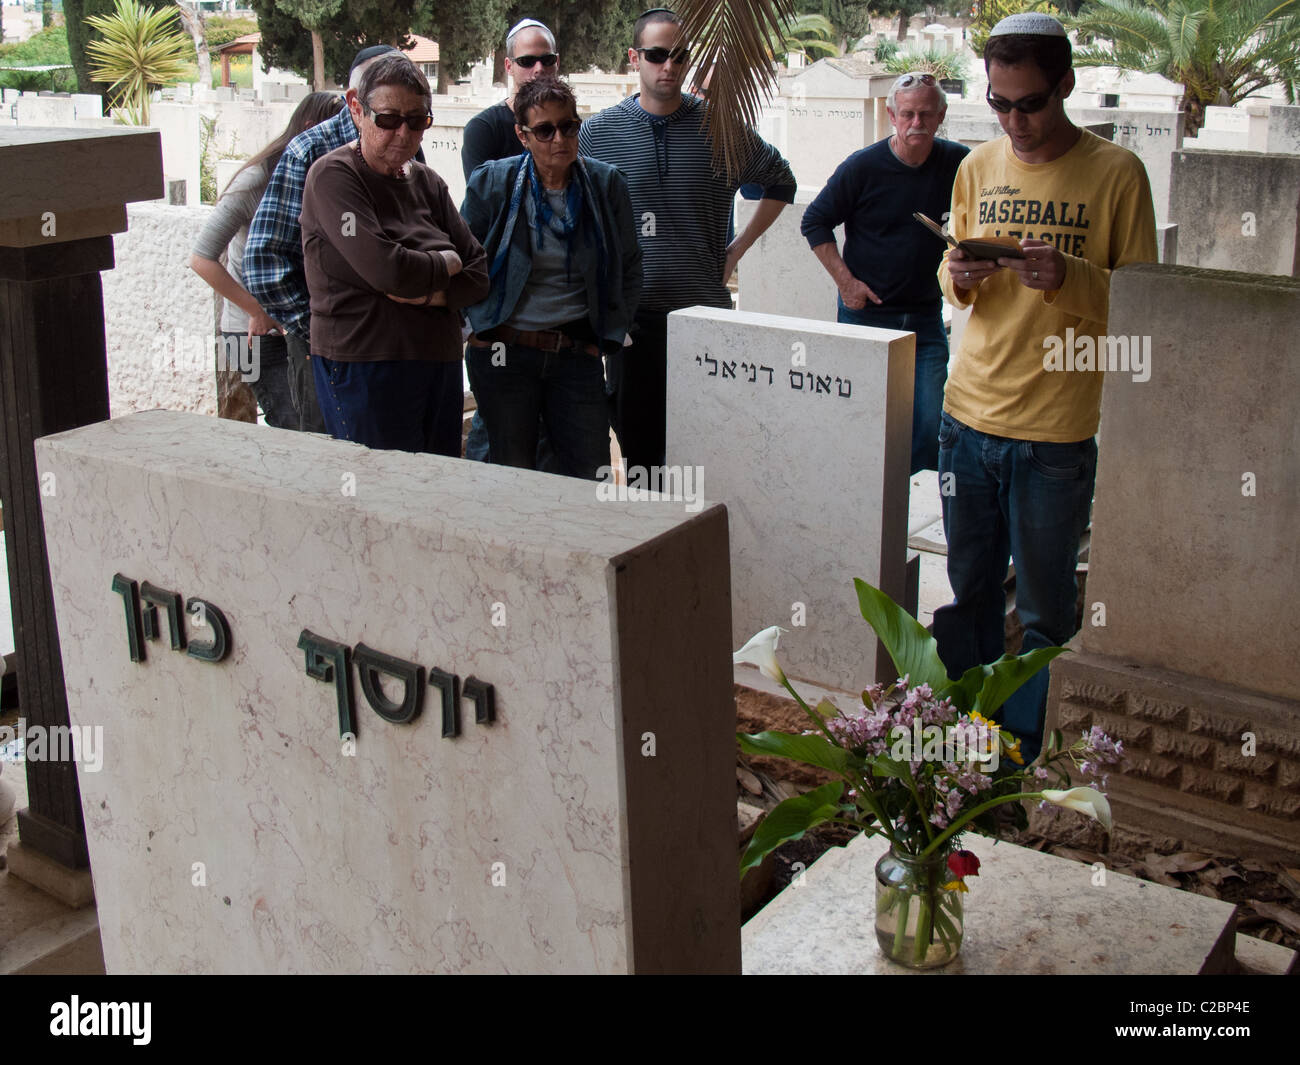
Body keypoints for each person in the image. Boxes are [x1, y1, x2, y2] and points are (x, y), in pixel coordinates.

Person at [932, 12, 1157, 761]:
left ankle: (1027, 756)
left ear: (1066, 84)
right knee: (967, 595)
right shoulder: (976, 167)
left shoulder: (1116, 173)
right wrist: (957, 275)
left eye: (1030, 102)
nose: (1015, 121)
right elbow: (952, 273)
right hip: (968, 418)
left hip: (1054, 434)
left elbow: (1144, 303)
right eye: (999, 103)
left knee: (1043, 610)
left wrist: (1070, 277)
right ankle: (961, 753)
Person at [579, 7, 795, 490]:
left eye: (679, 56)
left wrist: (736, 250)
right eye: (657, 55)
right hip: (635, 322)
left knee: (708, 459)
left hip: (705, 318)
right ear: (634, 58)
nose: (669, 67)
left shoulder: (722, 130)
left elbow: (781, 181)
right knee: (642, 459)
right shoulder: (598, 134)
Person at [299, 53, 489, 454]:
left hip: (437, 361)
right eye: (388, 119)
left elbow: (477, 273)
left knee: (434, 488)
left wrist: (427, 292)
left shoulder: (429, 182)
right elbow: (388, 270)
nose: (403, 133)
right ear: (357, 109)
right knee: (377, 494)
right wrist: (443, 261)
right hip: (365, 363)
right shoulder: (334, 175)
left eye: (417, 120)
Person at [461, 75, 641, 480]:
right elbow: (463, 259)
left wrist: (608, 336)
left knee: (587, 473)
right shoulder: (494, 183)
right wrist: (474, 327)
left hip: (576, 355)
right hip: (505, 353)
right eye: (544, 130)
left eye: (568, 126)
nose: (559, 138)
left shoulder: (606, 184)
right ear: (522, 136)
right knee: (511, 474)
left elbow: (629, 265)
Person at [244, 45, 420, 433]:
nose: (401, 126)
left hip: (396, 347)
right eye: (387, 110)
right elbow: (264, 262)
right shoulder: (310, 153)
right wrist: (323, 330)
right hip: (326, 354)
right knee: (332, 463)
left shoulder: (407, 142)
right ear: (356, 102)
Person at [801, 72, 969, 475]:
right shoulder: (863, 167)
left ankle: (908, 507)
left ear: (941, 115)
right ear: (892, 115)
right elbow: (815, 221)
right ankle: (865, 505)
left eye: (926, 115)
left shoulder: (960, 163)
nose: (917, 124)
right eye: (907, 114)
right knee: (862, 422)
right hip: (867, 315)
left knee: (930, 425)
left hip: (926, 319)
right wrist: (847, 283)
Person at [189, 91, 345, 430]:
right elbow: (201, 259)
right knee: (292, 424)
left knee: (318, 424)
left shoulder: (324, 179)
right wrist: (256, 310)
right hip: (251, 334)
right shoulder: (255, 181)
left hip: (296, 327)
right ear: (308, 129)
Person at [462, 17, 561, 466]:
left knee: (551, 445)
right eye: (527, 60)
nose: (538, 68)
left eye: (547, 59)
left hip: (558, 317)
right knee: (497, 439)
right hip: (502, 312)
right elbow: (491, 221)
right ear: (508, 65)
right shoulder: (485, 130)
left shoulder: (568, 130)